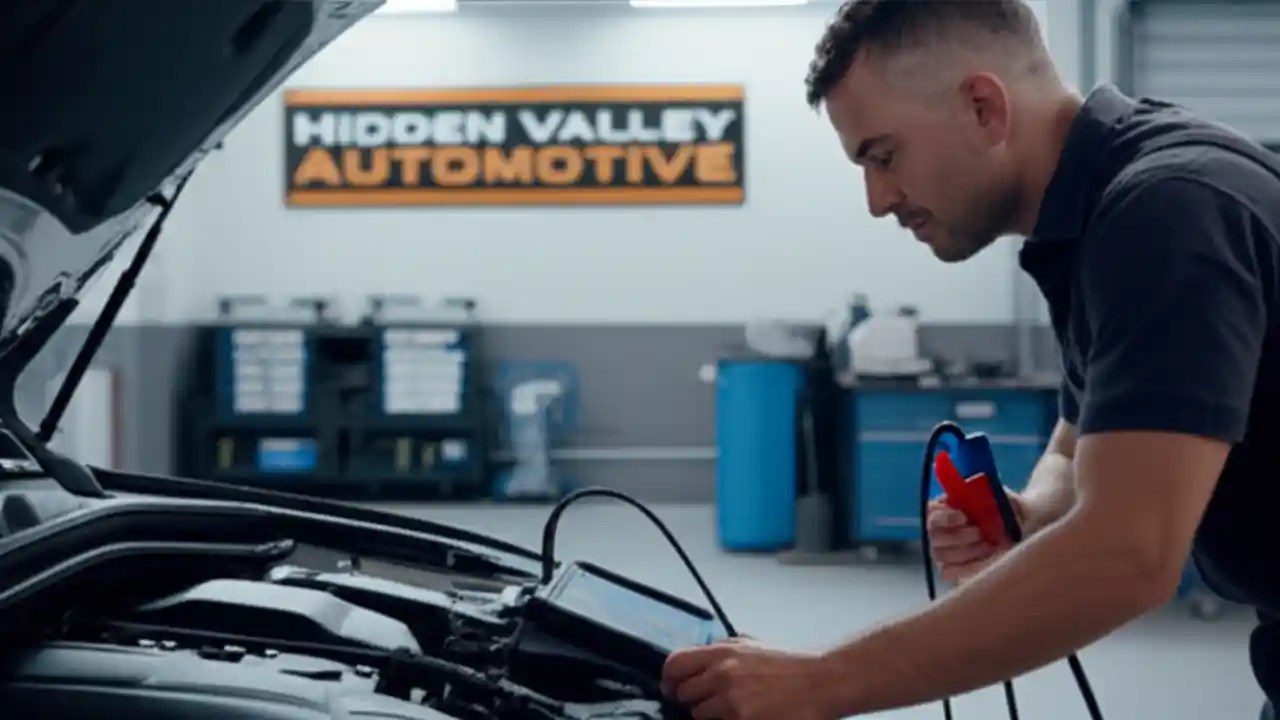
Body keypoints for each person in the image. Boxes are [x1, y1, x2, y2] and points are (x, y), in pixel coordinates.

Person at [660, 0, 1280, 718]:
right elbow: (1081, 439)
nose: (877, 200)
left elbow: (1128, 555)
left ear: (983, 106)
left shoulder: (1165, 211)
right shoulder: (1104, 209)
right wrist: (1032, 514)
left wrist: (821, 680)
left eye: (884, 156)